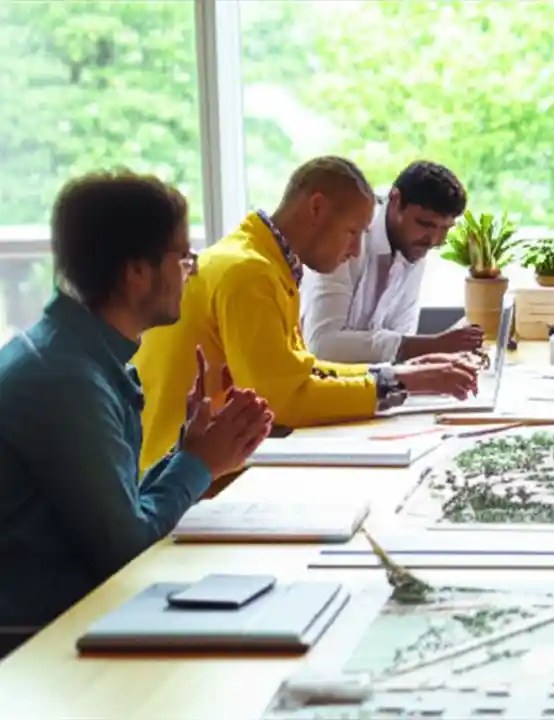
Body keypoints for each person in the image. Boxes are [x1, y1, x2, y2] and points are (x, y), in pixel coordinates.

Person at [0, 171, 273, 652]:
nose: (190, 271)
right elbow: (124, 546)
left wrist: (188, 454)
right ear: (136, 272)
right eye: (183, 257)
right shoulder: (65, 380)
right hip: (41, 642)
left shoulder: (73, 353)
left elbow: (115, 512)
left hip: (80, 615)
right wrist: (200, 464)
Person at [133, 156, 479, 469]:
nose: (356, 249)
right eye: (352, 232)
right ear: (316, 208)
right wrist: (398, 381)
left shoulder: (265, 261)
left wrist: (393, 373)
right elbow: (281, 399)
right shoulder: (250, 272)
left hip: (203, 464)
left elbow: (297, 369)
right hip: (175, 478)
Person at [301, 160, 483, 364]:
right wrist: (433, 345)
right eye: (424, 224)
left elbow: (399, 344)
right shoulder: (350, 236)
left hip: (364, 387)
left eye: (445, 229)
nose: (434, 240)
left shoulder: (414, 247)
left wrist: (437, 358)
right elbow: (323, 345)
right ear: (395, 200)